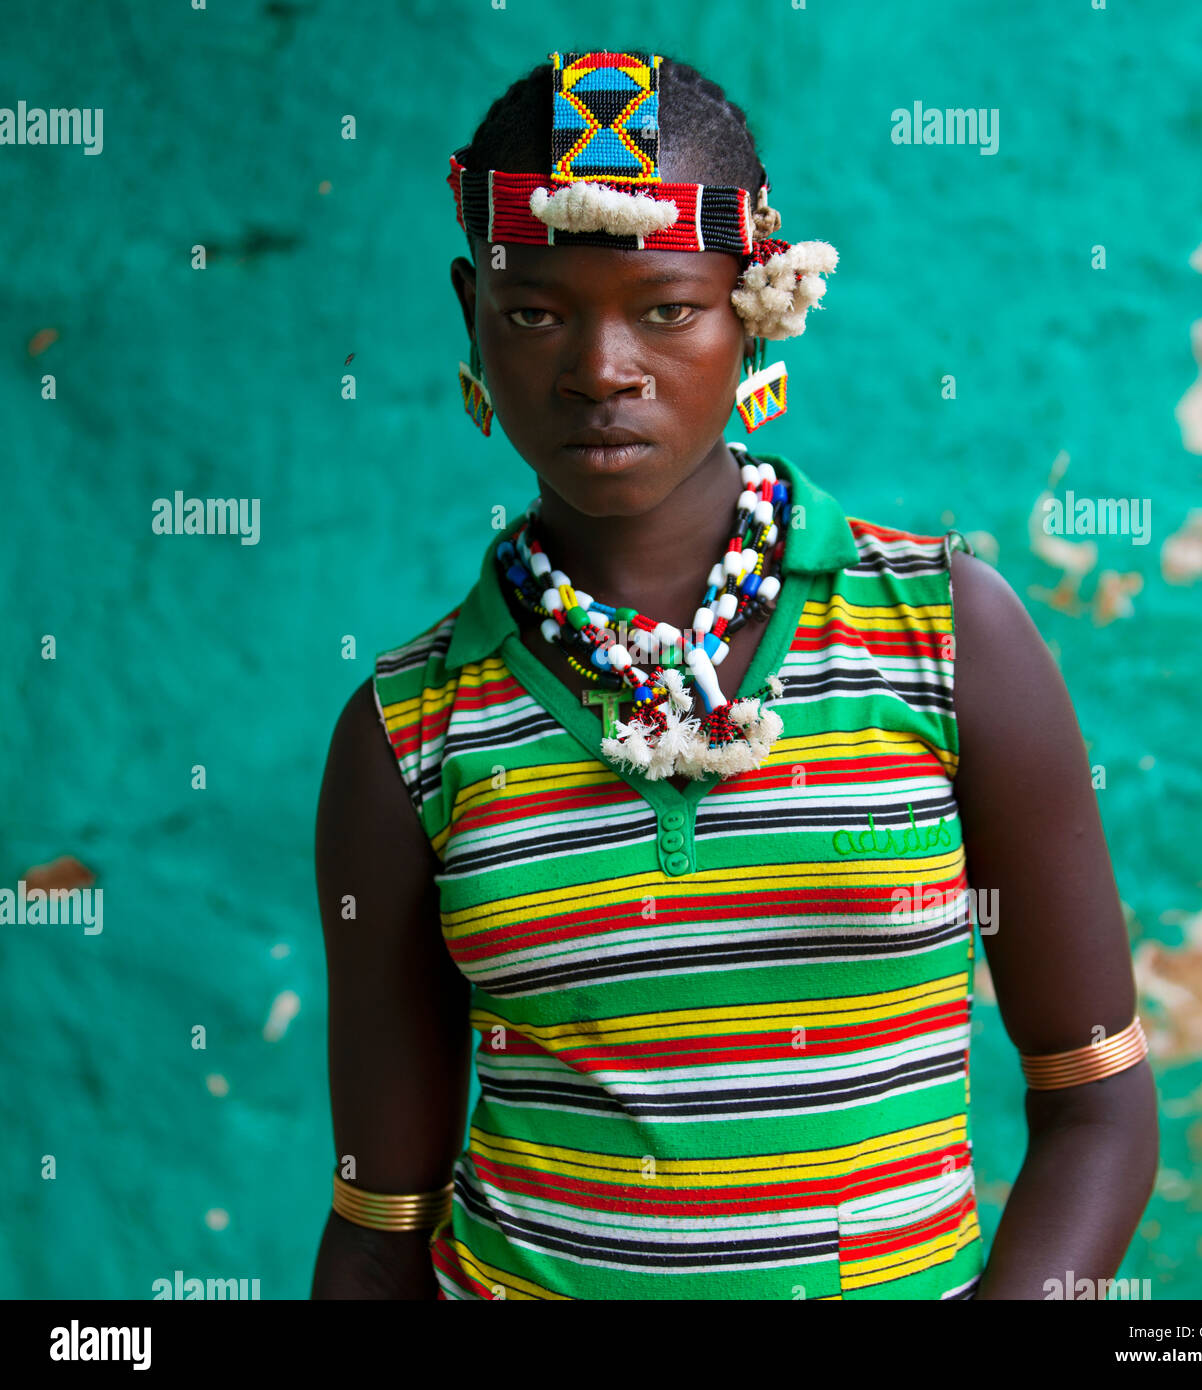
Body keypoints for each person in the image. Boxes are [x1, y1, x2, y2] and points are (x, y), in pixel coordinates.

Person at [310, 49, 1158, 1301]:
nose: (600, 367)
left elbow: (1098, 1112)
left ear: (755, 304)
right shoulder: (409, 734)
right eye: (536, 310)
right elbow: (382, 1223)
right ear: (470, 317)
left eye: (664, 308)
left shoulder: (947, 637)